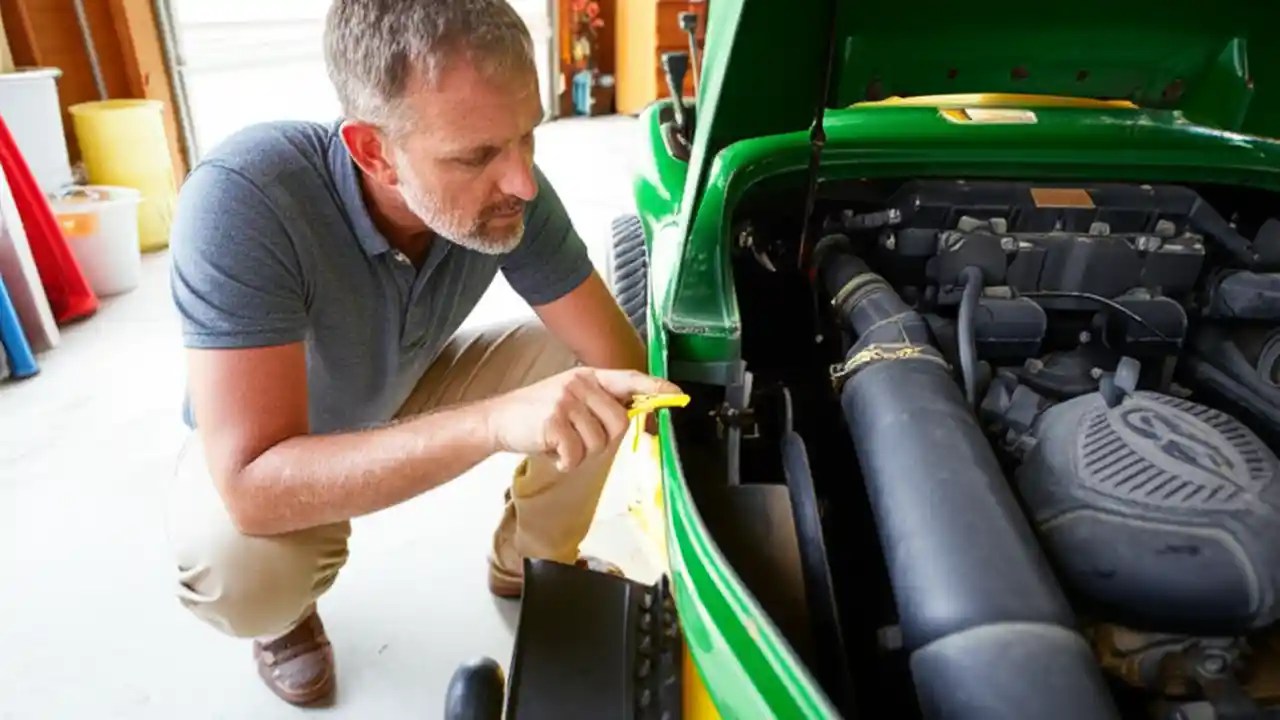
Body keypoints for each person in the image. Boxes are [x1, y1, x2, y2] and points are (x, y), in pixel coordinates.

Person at [164, 0, 678, 706]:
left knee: (595, 381)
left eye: (527, 136)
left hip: (405, 382)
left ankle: (530, 559)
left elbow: (623, 359)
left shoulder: (511, 190)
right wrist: (494, 422)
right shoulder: (243, 201)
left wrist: (694, 453)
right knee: (238, 571)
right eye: (475, 156)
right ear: (373, 151)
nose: (523, 181)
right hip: (284, 433)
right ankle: (285, 620)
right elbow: (252, 487)